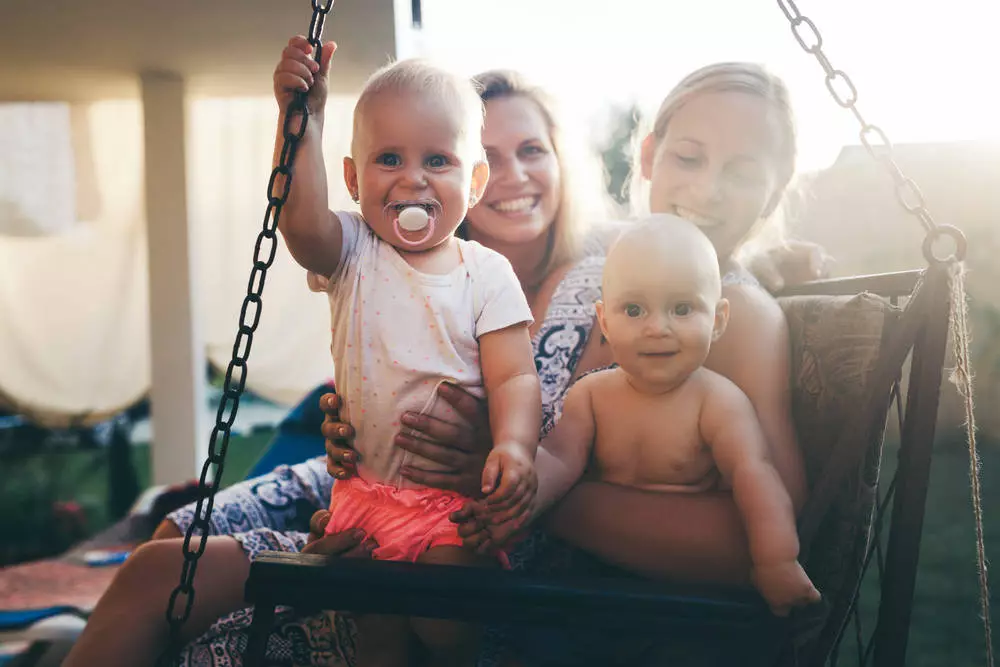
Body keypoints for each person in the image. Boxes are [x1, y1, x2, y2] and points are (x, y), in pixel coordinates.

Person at [63, 57, 826, 667]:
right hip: (399, 510)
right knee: (167, 562)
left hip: (503, 590)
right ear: (650, 156)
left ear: (776, 187)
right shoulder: (607, 262)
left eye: (743, 171)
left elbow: (756, 542)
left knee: (188, 611)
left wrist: (504, 481)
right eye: (689, 157)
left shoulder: (737, 314)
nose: (706, 190)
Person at [281, 37, 544, 666]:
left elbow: (515, 380)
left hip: (449, 506)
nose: (412, 178)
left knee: (445, 625)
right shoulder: (351, 251)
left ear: (474, 182)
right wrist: (301, 121)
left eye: (438, 160)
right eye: (389, 158)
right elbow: (300, 225)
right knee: (378, 641)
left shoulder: (486, 273)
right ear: (353, 177)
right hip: (362, 496)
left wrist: (512, 445)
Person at [458, 215, 821, 617]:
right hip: (590, 576)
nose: (657, 328)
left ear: (718, 321)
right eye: (634, 310)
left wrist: (776, 562)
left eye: (682, 309)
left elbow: (755, 477)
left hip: (681, 588)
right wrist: (518, 504)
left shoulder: (718, 402)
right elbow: (559, 458)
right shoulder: (592, 393)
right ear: (606, 321)